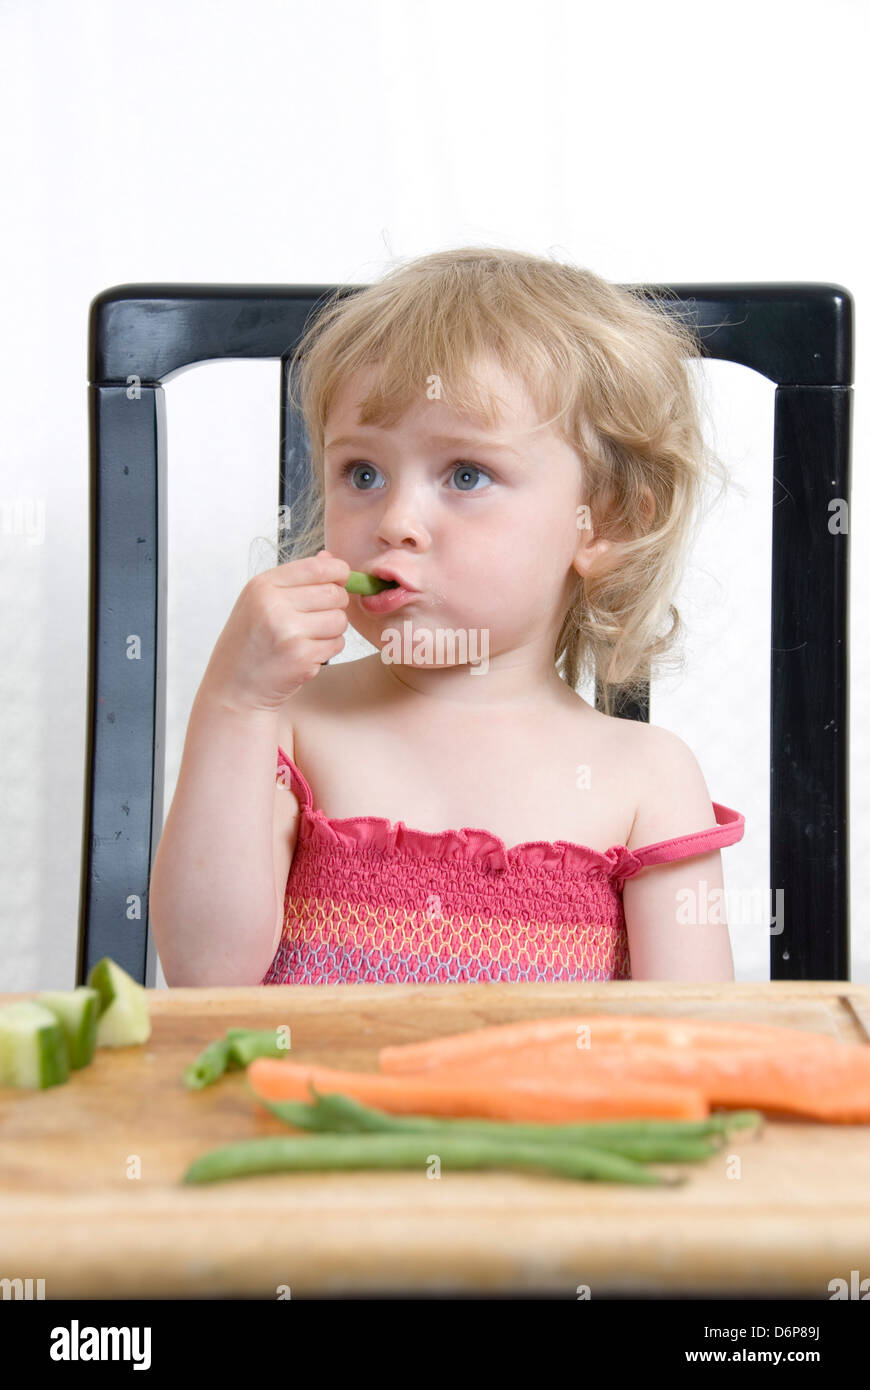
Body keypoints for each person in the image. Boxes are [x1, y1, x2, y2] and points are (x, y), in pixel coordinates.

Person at [150, 247, 745, 988]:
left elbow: (689, 1047)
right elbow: (206, 980)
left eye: (467, 475)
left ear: (605, 523)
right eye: (361, 473)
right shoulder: (291, 728)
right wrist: (235, 701)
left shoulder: (646, 779)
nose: (396, 519)